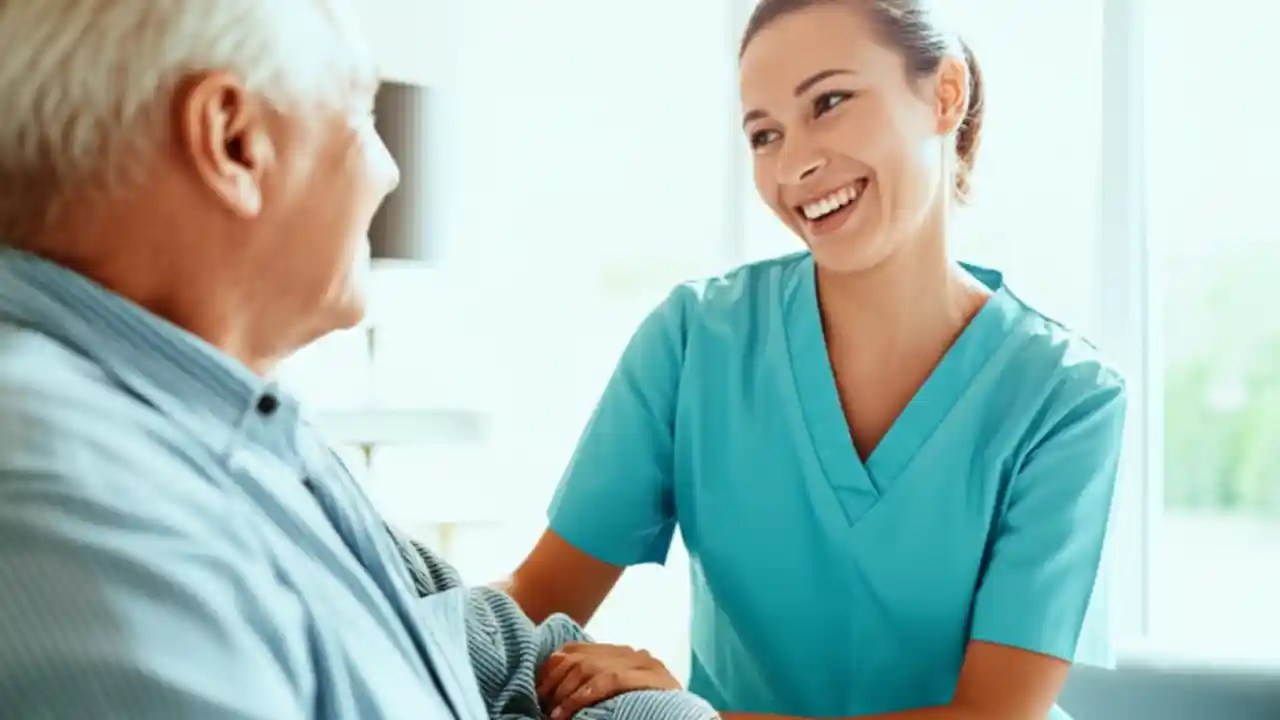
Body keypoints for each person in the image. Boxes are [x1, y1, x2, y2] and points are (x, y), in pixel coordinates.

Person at [0, 2, 717, 719]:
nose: (390, 172)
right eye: (360, 114)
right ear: (235, 141)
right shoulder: (69, 492)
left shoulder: (252, 432)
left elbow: (492, 651)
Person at [508, 1, 1128, 719]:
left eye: (829, 102)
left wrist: (687, 718)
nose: (795, 163)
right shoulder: (694, 341)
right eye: (764, 134)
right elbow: (534, 602)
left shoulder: (1066, 399)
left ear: (944, 95)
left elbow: (992, 716)